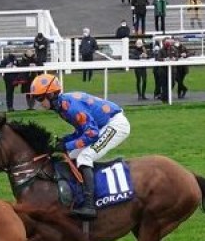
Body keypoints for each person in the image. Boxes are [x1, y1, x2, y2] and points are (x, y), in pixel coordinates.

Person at [27, 74, 129, 219]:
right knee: (72, 154)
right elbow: (82, 131)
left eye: (40, 98)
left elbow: (92, 134)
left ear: (50, 94)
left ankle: (89, 205)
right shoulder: (62, 106)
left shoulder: (70, 107)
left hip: (115, 125)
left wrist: (66, 145)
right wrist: (63, 142)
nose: (39, 103)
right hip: (101, 126)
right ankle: (77, 194)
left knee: (85, 156)